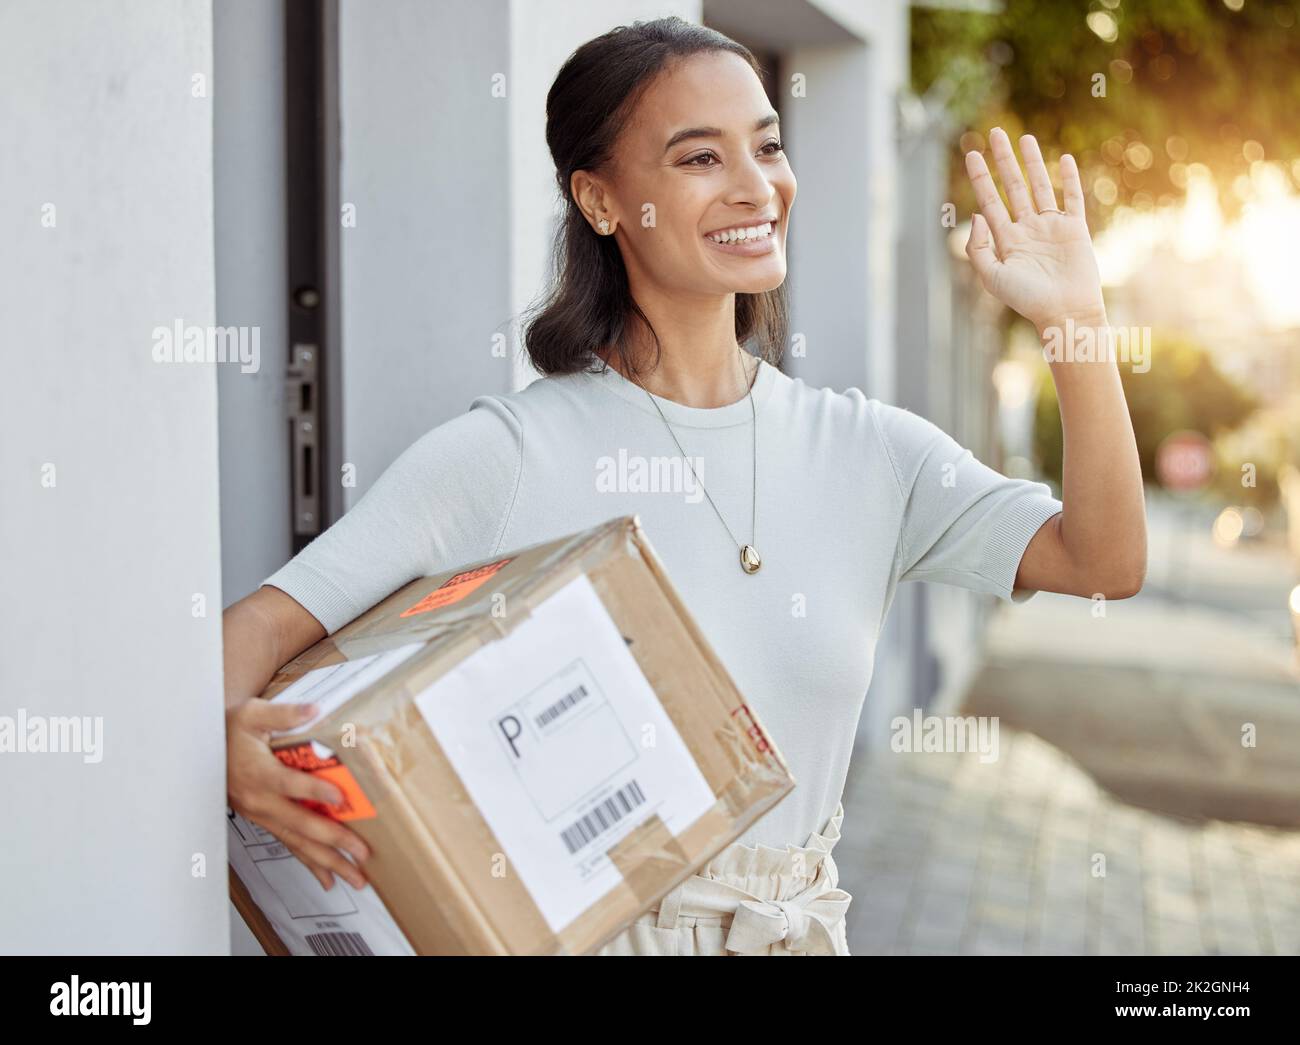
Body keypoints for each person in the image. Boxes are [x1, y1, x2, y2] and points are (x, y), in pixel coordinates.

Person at [224, 16, 1146, 956]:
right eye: (700, 158)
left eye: (768, 145)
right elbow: (248, 637)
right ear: (601, 201)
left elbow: (1103, 560)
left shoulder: (869, 449)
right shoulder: (505, 455)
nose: (756, 187)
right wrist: (228, 748)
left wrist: (1077, 322)